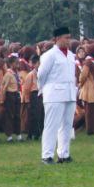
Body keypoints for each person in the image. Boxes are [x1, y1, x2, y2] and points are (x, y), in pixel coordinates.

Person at [37, 27, 77, 163]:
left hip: (69, 93)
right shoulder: (49, 55)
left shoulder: (71, 55)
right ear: (57, 39)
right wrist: (44, 89)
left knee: (67, 125)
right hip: (54, 94)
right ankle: (47, 155)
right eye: (66, 38)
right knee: (51, 126)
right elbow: (41, 75)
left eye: (69, 37)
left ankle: (63, 154)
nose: (68, 40)